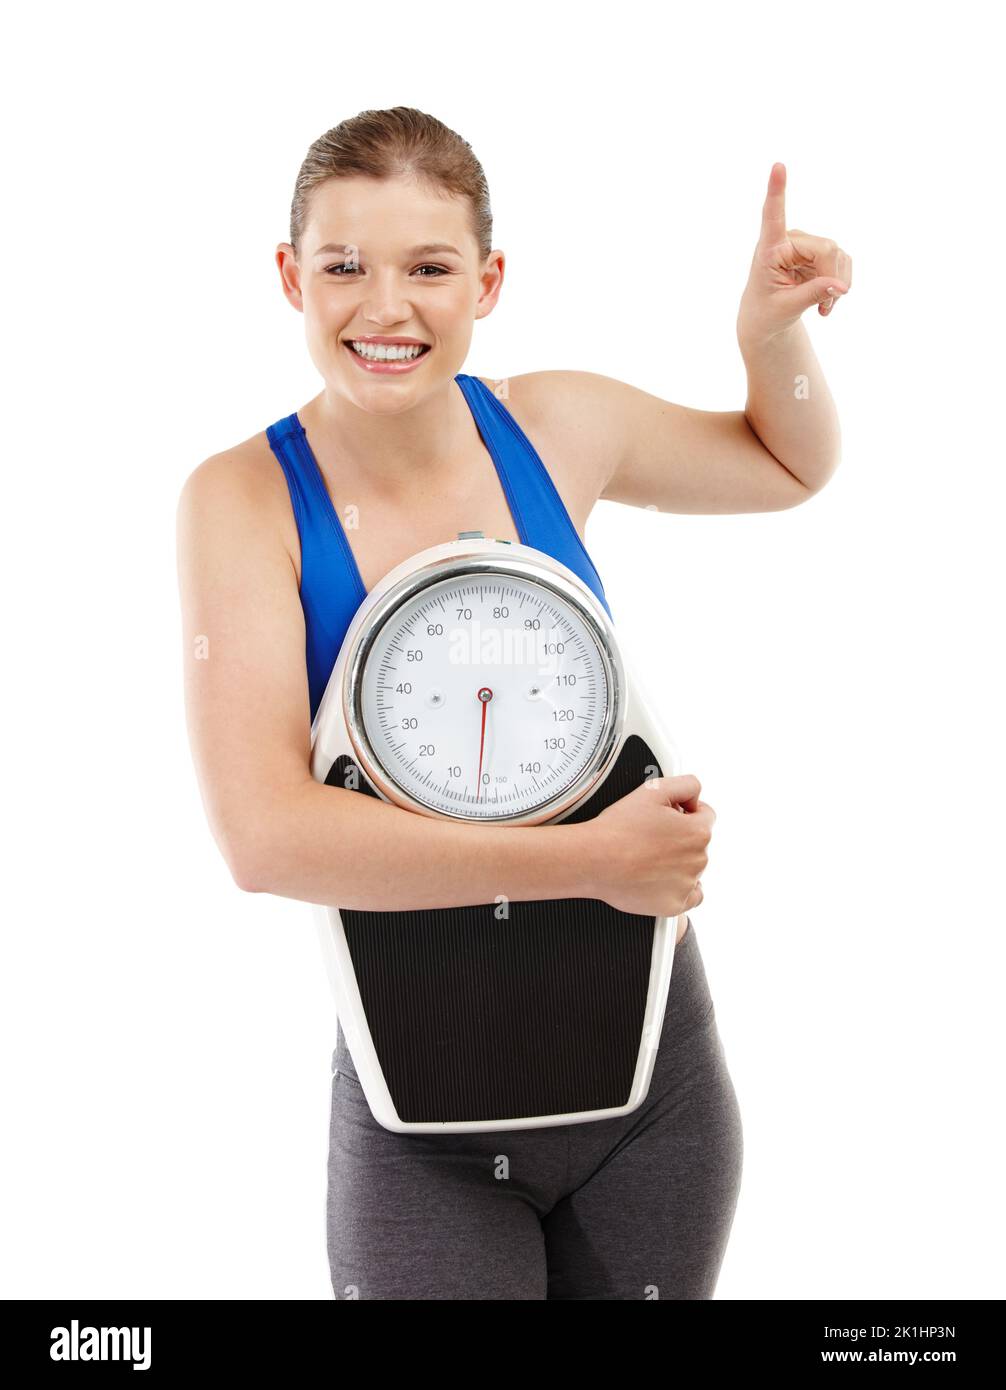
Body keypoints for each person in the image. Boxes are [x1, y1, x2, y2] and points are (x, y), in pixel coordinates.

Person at [177, 107, 849, 1299]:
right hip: (420, 1110)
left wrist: (767, 342)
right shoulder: (243, 500)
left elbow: (786, 464)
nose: (385, 307)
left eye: (429, 267)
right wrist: (595, 859)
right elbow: (266, 838)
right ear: (291, 276)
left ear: (488, 282)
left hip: (654, 1093)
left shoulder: (554, 425)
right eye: (343, 266)